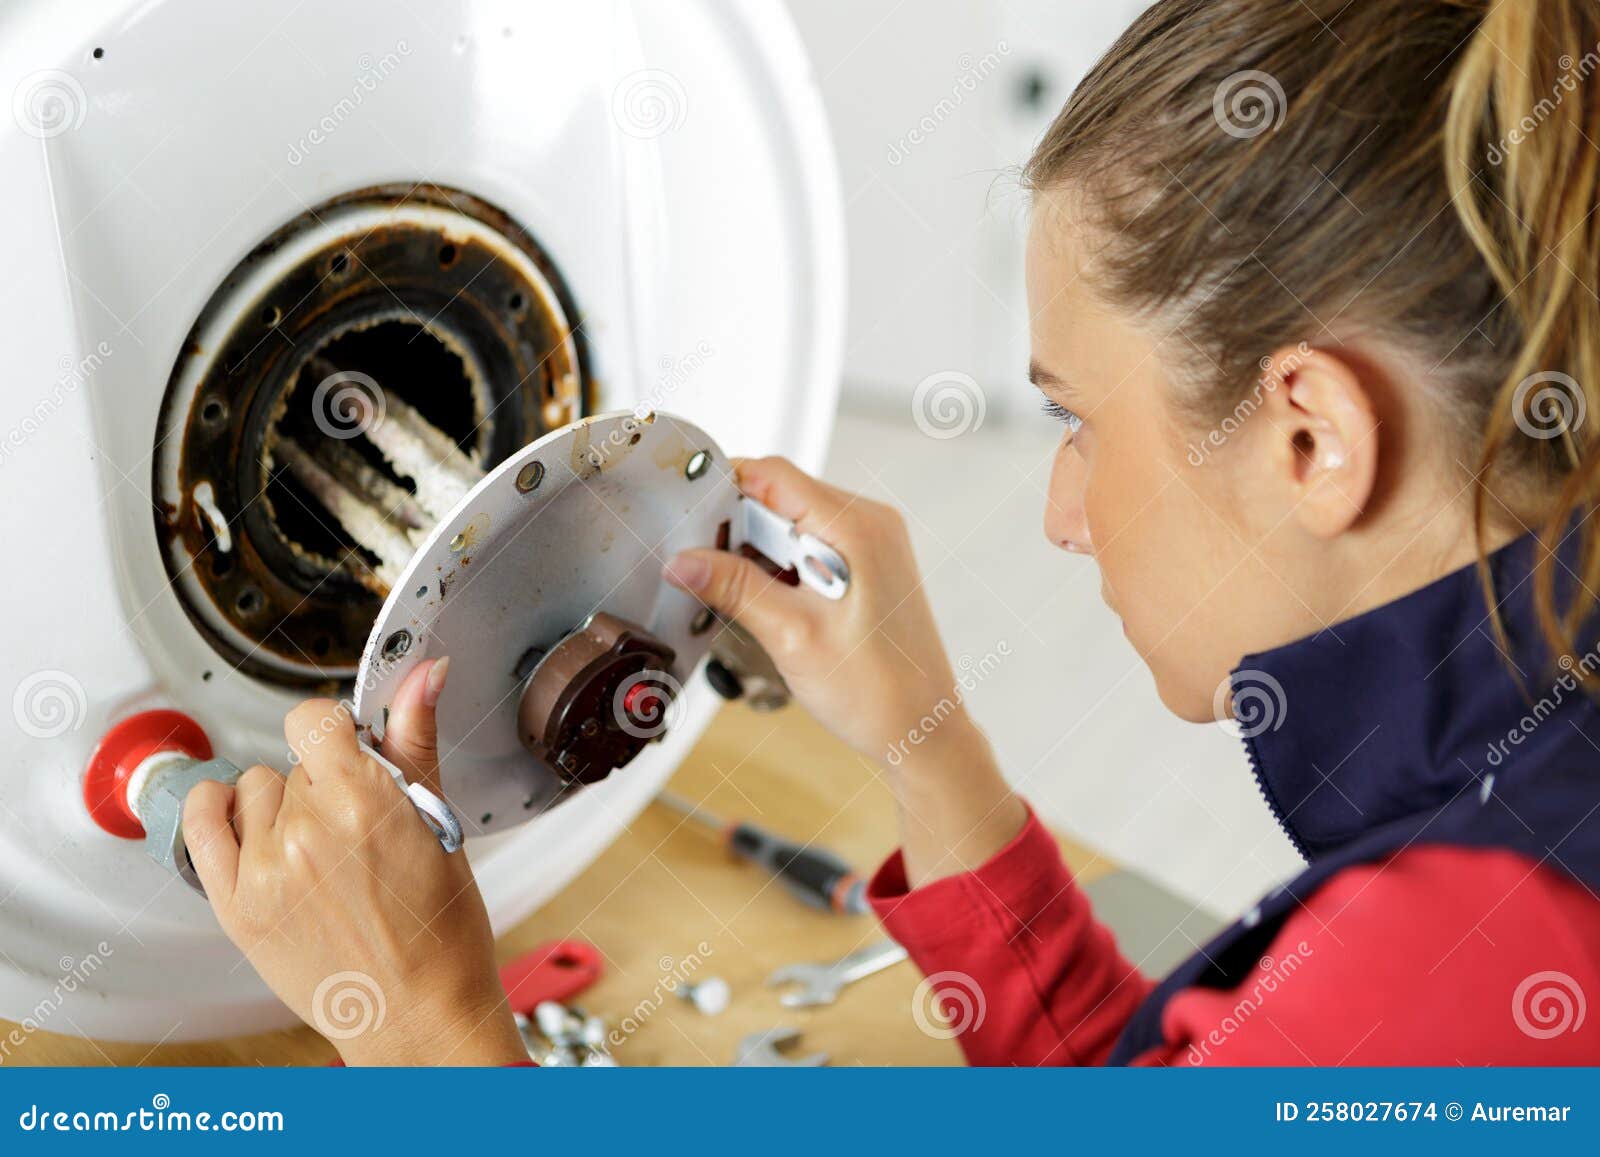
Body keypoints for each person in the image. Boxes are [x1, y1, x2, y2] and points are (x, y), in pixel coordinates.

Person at [184, 0, 1600, 1064]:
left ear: (1313, 438)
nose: (1058, 515)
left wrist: (428, 1028)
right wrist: (925, 737)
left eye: (1078, 423)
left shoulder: (1459, 978)